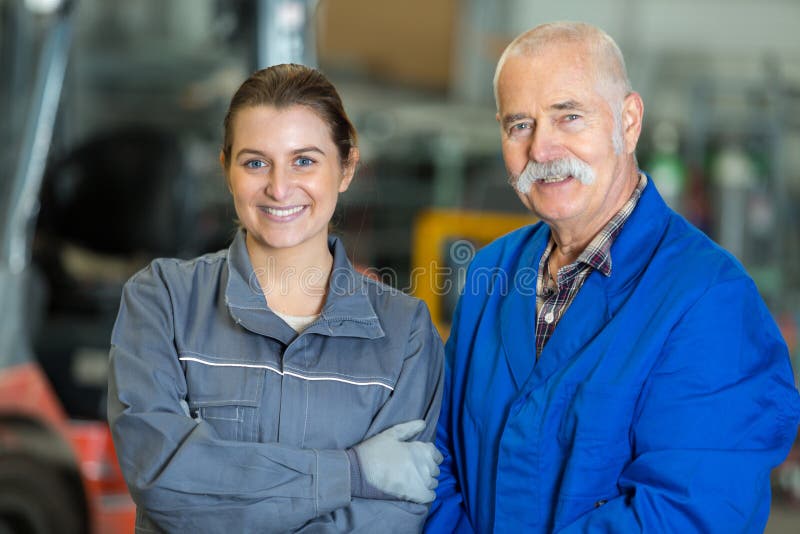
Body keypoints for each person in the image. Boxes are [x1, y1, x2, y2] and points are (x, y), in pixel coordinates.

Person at [425, 21, 800, 533]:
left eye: (569, 117)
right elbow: (437, 460)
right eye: (520, 125)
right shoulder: (492, 272)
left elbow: (687, 513)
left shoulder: (711, 300)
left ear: (628, 121)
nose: (541, 150)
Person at [108, 64, 444, 533]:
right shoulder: (162, 301)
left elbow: (390, 516)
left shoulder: (404, 333)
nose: (279, 187)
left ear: (346, 168)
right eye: (255, 162)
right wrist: (351, 472)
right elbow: (165, 478)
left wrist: (229, 481)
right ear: (226, 168)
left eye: (304, 160)